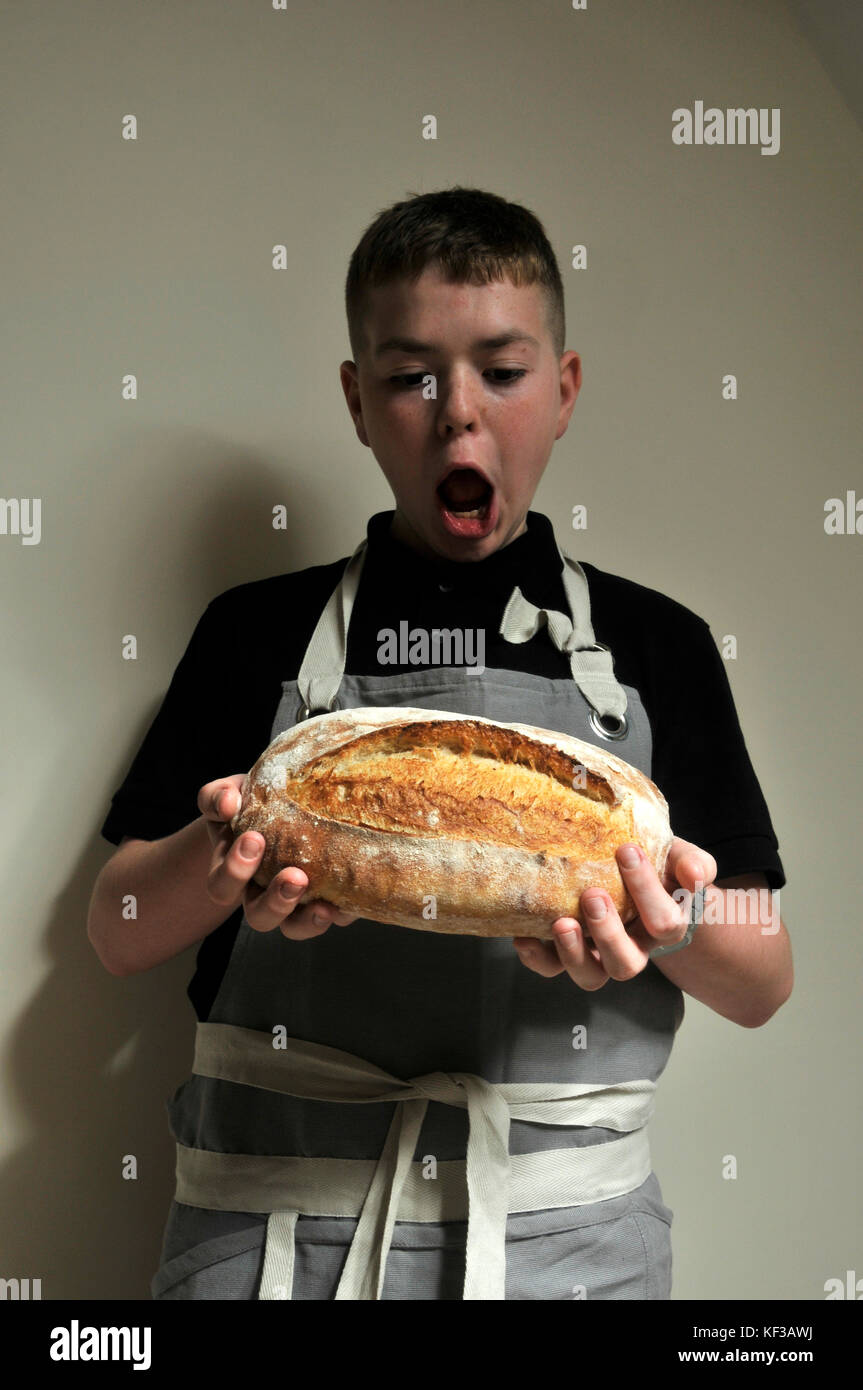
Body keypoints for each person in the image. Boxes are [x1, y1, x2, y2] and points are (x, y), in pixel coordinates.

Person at [87, 186, 792, 1301]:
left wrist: (667, 919)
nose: (456, 412)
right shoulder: (253, 632)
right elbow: (117, 927)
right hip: (270, 1242)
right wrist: (226, 861)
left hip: (568, 1258)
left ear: (561, 393)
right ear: (357, 401)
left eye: (501, 372)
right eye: (409, 374)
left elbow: (761, 971)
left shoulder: (657, 646)